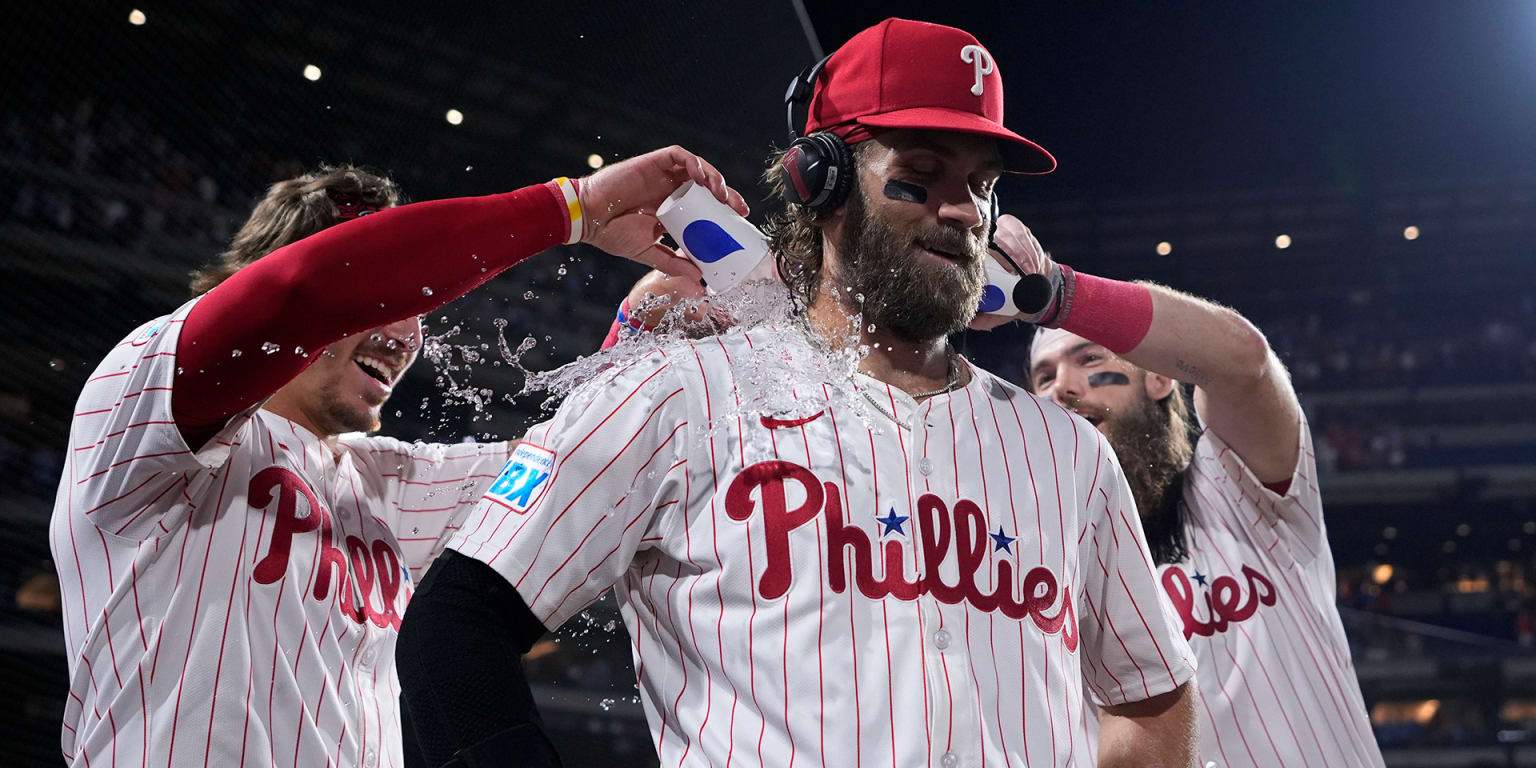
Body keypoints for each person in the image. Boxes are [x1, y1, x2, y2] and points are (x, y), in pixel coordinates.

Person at [398, 18, 1200, 767]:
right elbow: (454, 623)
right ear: (822, 183)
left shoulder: (1066, 451)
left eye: (983, 185)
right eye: (920, 178)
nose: (963, 211)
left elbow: (1154, 695)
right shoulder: (679, 396)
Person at [49, 147, 746, 767]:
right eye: (388, 295)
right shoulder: (140, 405)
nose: (409, 329)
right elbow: (301, 293)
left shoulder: (381, 483)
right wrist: (578, 209)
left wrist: (639, 329)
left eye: (417, 307)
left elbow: (576, 463)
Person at [992, 216, 1385, 765]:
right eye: (1043, 377)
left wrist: (1055, 294)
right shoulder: (1043, 563)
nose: (1063, 387)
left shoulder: (1237, 487)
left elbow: (1244, 361)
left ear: (1158, 378)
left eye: (1090, 360)